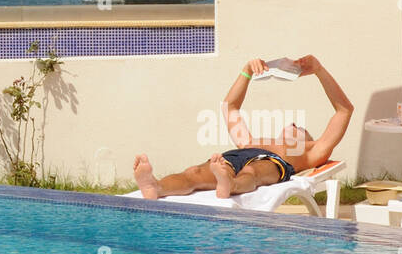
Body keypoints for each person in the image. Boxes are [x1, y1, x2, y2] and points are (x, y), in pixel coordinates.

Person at [133, 55, 353, 200]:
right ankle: (157, 187)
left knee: (252, 172)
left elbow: (344, 110)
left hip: (273, 163)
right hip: (239, 154)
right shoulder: (248, 141)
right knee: (195, 172)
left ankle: (231, 184)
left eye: (298, 129)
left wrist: (319, 70)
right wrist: (247, 71)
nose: (292, 125)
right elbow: (230, 107)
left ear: (307, 139)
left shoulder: (311, 152)